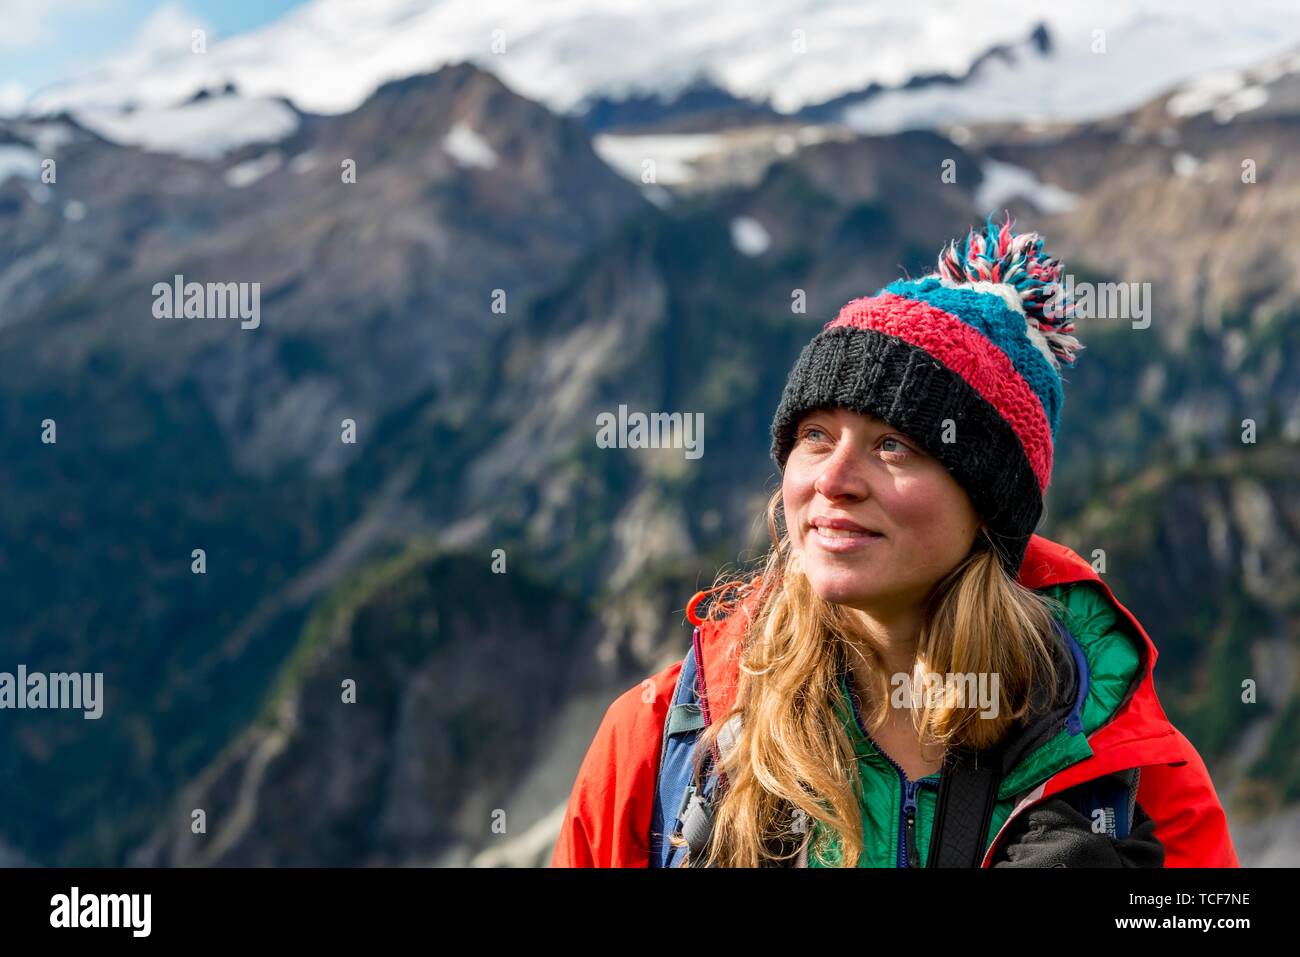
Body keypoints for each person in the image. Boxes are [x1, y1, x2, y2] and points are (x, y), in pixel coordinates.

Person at [550, 212, 1239, 868]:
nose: (834, 479)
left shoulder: (1130, 772)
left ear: (986, 504)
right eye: (815, 435)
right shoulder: (661, 742)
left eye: (893, 445)